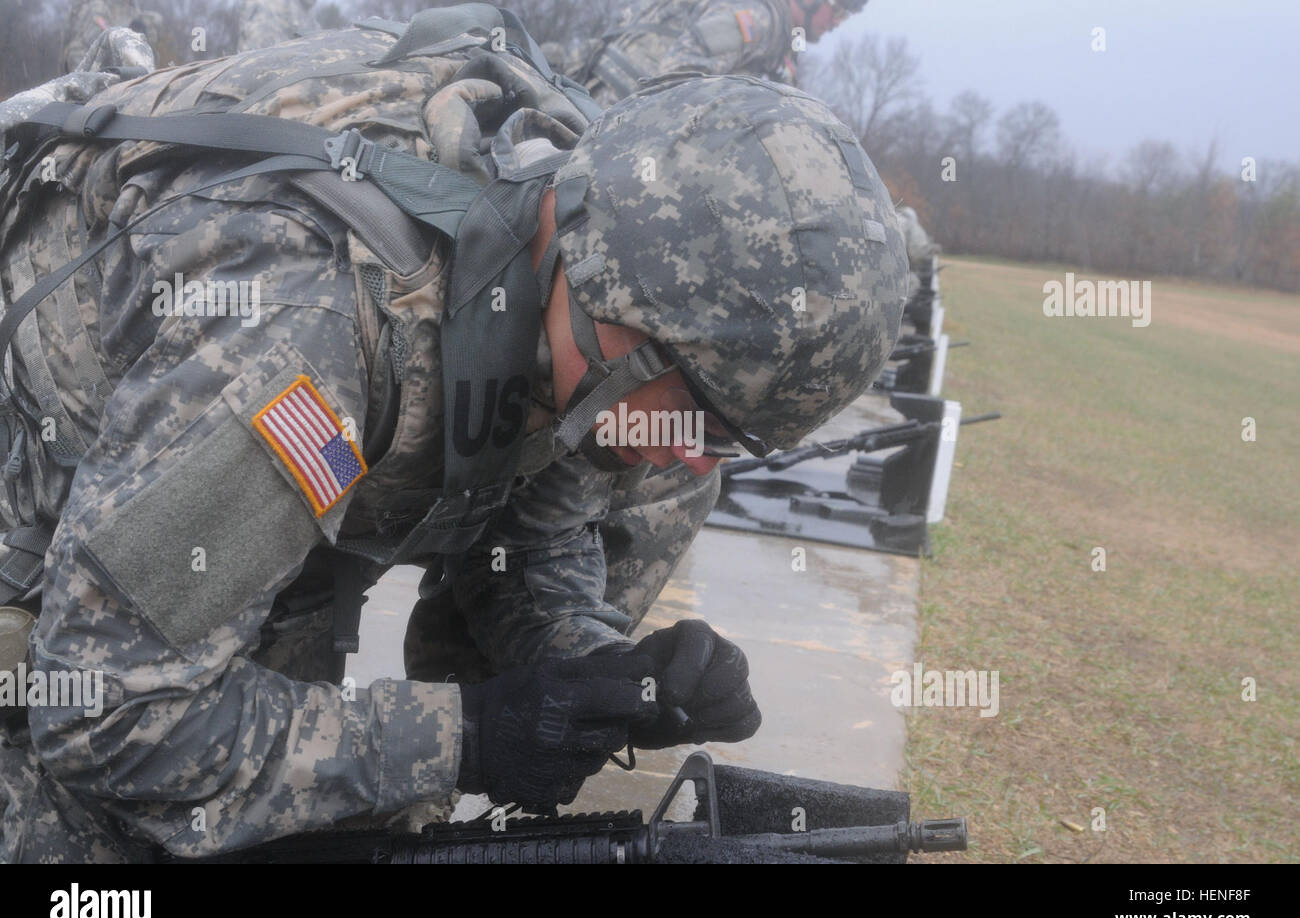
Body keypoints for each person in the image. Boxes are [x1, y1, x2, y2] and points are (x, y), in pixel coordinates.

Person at [0, 5, 907, 862]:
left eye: (729, 436)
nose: (691, 454)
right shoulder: (314, 341)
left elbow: (526, 532)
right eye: (695, 409)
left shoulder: (588, 263)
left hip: (191, 493)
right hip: (48, 509)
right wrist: (467, 738)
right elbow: (110, 713)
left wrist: (591, 673)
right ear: (613, 294)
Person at [545, 0, 868, 107]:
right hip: (605, 115)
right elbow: (676, 76)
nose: (836, 23)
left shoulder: (781, 45)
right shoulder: (760, 19)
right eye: (838, 10)